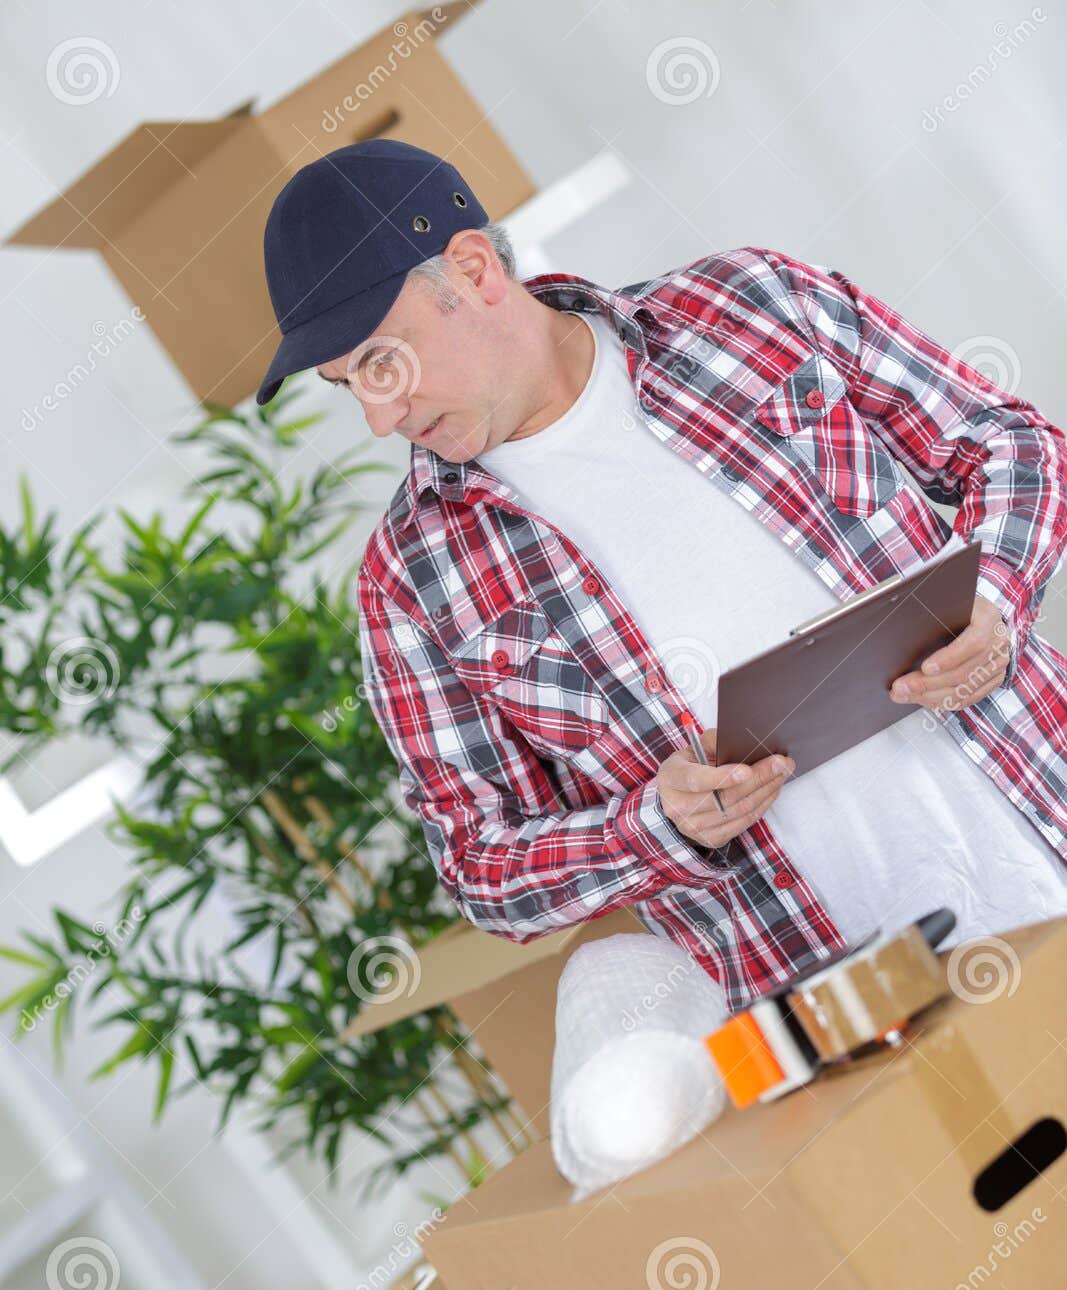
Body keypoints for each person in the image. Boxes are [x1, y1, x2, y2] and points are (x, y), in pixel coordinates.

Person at [257, 139, 1067, 1010]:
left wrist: (992, 600)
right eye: (348, 385)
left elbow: (1011, 445)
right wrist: (654, 827)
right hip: (852, 1006)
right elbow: (478, 864)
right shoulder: (410, 579)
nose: (379, 418)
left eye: (382, 362)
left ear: (474, 270)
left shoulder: (755, 304)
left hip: (1042, 812)